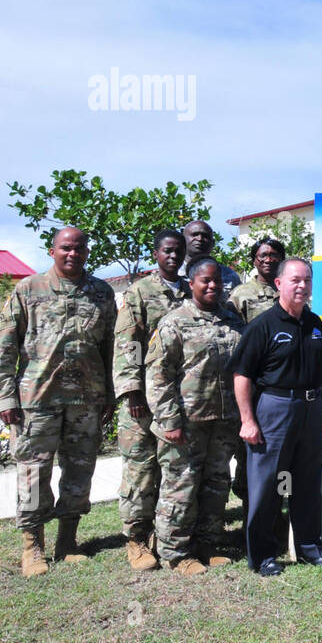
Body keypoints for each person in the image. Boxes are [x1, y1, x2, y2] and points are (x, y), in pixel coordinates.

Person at [0, 227, 116, 577]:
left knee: (79, 472)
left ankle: (68, 541)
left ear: (87, 252)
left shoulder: (101, 293)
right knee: (32, 474)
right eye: (66, 248)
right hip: (36, 400)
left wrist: (109, 393)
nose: (72, 254)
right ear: (52, 251)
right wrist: (4, 398)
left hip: (87, 400)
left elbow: (110, 348)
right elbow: (4, 348)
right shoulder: (28, 289)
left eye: (79, 248)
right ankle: (33, 546)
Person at [229, 258, 322, 574]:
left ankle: (310, 550)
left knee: (308, 483)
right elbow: (241, 376)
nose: (302, 286)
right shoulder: (263, 326)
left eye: (306, 280)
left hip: (311, 409)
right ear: (279, 284)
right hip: (274, 410)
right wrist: (247, 420)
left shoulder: (316, 324)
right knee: (267, 486)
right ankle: (263, 556)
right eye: (295, 280)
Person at [144, 257, 245, 575]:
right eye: (205, 281)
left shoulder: (232, 321)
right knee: (180, 487)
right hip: (185, 423)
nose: (213, 285)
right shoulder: (174, 322)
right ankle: (175, 553)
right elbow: (158, 376)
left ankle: (207, 544)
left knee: (216, 485)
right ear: (192, 284)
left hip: (224, 421)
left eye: (217, 280)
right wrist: (169, 420)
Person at [112, 229, 187, 570]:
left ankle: (165, 533)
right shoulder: (140, 291)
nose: (173, 257)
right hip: (142, 400)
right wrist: (132, 392)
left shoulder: (190, 290)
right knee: (141, 470)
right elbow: (128, 343)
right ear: (156, 254)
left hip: (177, 399)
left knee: (173, 469)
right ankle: (136, 540)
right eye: (167, 251)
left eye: (178, 251)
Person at [225, 236, 286, 535]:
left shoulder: (287, 290)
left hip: (282, 388)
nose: (269, 259)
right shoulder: (241, 296)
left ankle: (278, 521)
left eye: (275, 255)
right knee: (251, 459)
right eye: (263, 254)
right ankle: (253, 526)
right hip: (253, 387)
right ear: (254, 259)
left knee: (280, 459)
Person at [182, 220, 242, 298]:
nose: (199, 239)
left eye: (205, 236)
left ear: (213, 243)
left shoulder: (230, 276)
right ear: (182, 240)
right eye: (194, 235)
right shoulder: (172, 273)